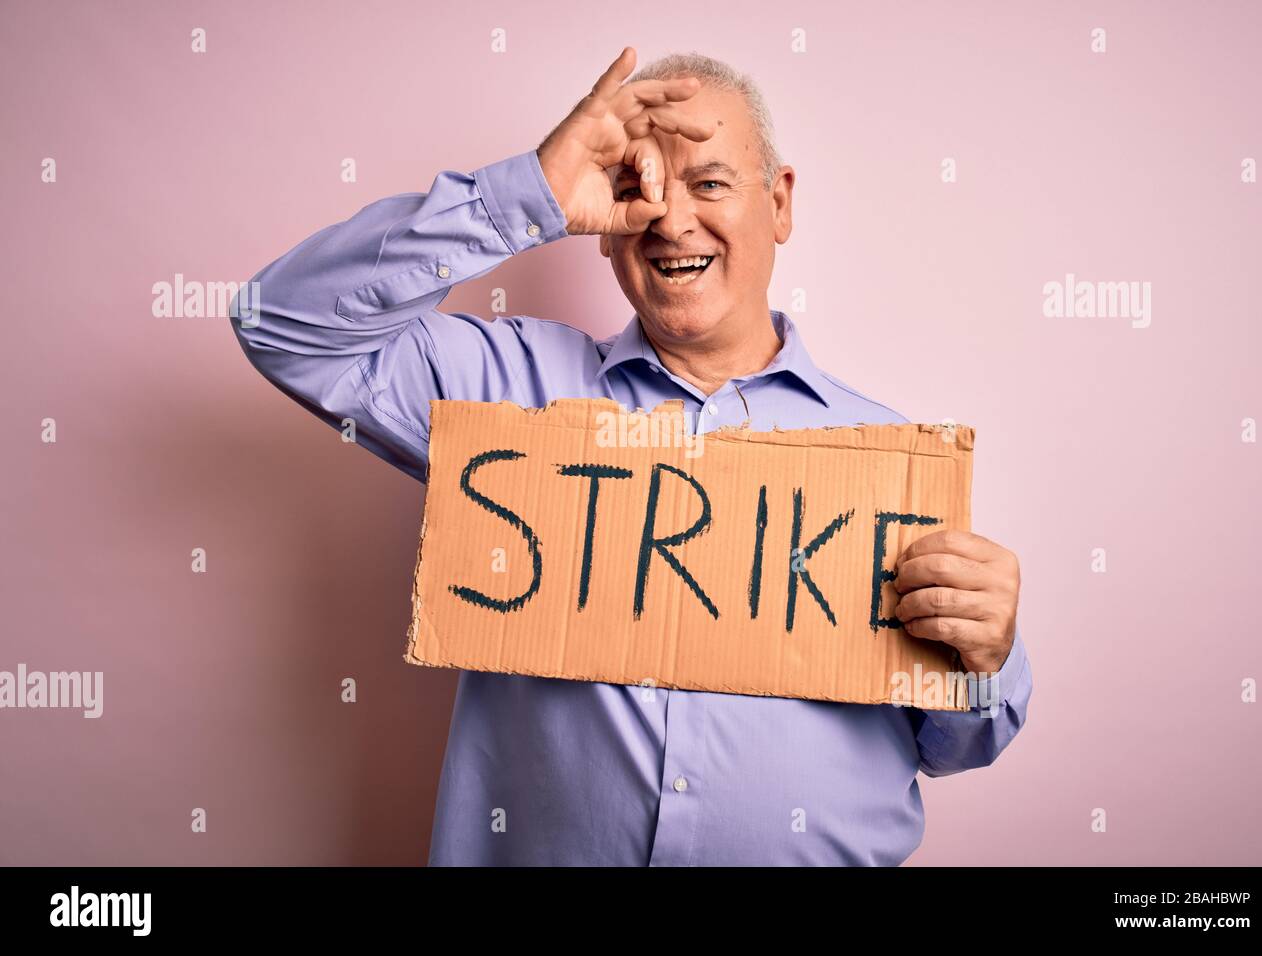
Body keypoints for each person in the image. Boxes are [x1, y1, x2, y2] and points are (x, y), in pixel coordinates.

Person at [230, 47, 1031, 866]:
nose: (671, 221)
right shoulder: (503, 395)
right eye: (634, 190)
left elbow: (957, 746)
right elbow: (279, 322)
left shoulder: (887, 463)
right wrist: (527, 198)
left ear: (779, 203)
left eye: (710, 183)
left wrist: (989, 655)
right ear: (602, 229)